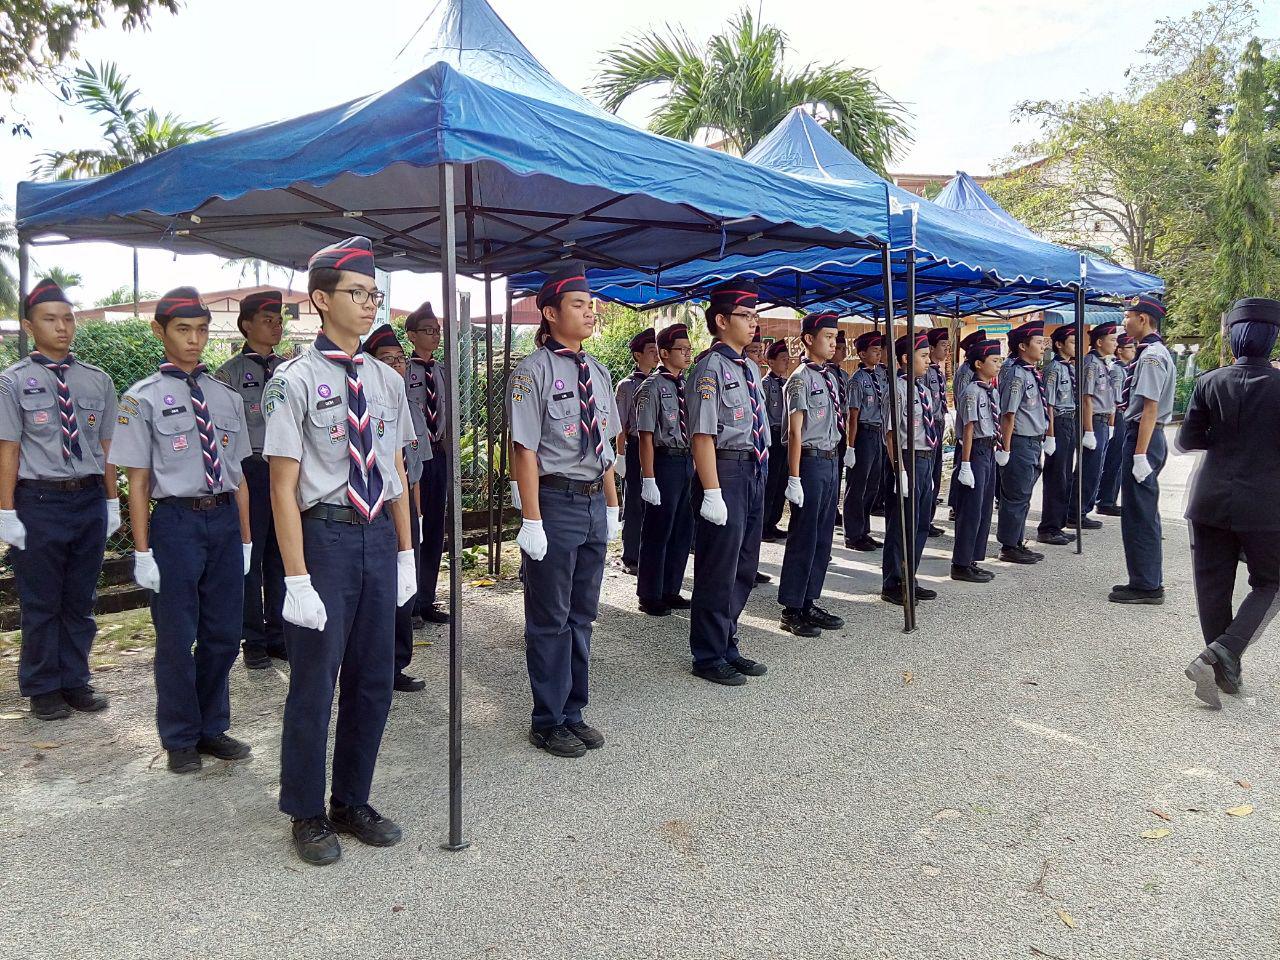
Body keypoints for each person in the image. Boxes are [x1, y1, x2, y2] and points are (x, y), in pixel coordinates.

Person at [264, 237, 417, 865]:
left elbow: (397, 468)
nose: (368, 304)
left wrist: (407, 551)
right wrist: (295, 578)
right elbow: (280, 484)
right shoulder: (291, 381)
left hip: (377, 534)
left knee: (373, 679)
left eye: (374, 294)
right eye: (357, 293)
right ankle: (305, 810)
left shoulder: (384, 378)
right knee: (314, 680)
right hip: (322, 538)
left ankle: (351, 799)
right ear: (320, 299)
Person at [110, 287, 253, 773]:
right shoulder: (142, 398)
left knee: (223, 632)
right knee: (175, 636)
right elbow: (139, 480)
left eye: (201, 330)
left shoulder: (225, 396)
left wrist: (248, 539)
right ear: (161, 331)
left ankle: (212, 726)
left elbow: (239, 477)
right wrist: (142, 550)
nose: (195, 340)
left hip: (224, 520)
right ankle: (179, 737)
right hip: (176, 522)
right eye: (183, 330)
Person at [508, 262, 621, 758]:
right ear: (550, 313)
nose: (589, 310)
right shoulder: (532, 372)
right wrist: (531, 518)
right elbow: (523, 450)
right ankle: (547, 717)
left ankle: (574, 709)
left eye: (590, 303)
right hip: (555, 502)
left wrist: (613, 506)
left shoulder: (597, 371)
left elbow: (609, 446)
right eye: (578, 303)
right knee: (550, 617)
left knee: (582, 614)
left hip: (594, 499)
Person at [0, 279, 119, 721]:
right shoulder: (11, 383)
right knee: (41, 599)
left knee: (79, 598)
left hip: (87, 498)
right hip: (39, 501)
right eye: (51, 319)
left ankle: (75, 679)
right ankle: (42, 686)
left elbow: (109, 446)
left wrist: (111, 501)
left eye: (68, 318)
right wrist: (6, 510)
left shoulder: (97, 380)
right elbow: (8, 448)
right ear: (30, 326)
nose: (63, 327)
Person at [1179, 298, 1280, 707]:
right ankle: (1222, 655)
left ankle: (1222, 664)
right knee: (1272, 582)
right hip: (1267, 502)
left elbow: (1187, 440)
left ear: (1233, 337)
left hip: (1210, 497)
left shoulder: (1208, 381)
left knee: (1212, 586)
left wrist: (1222, 440)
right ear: (1273, 339)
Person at [685, 282, 770, 685]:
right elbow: (702, 435)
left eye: (755, 316)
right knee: (718, 567)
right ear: (721, 321)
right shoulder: (709, 368)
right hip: (725, 470)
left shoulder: (749, 368)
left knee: (745, 565)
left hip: (753, 469)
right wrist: (713, 491)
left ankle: (727, 642)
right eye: (745, 316)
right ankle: (708, 653)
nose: (753, 323)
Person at [214, 289, 287, 670]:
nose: (276, 326)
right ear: (246, 326)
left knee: (282, 551)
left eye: (279, 320)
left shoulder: (290, 369)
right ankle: (253, 639)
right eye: (267, 320)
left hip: (286, 468)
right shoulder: (228, 374)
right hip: (251, 469)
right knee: (252, 555)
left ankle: (278, 633)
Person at [363, 323, 432, 693]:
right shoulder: (362, 399)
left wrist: (415, 516)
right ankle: (372, 667)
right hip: (371, 508)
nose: (396, 366)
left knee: (404, 589)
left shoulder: (407, 405)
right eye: (386, 359)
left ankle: (396, 663)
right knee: (376, 593)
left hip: (403, 510)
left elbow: (411, 470)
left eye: (400, 359)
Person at [777, 312, 846, 637]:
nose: (833, 343)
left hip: (831, 460)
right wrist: (793, 477)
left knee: (822, 536)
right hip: (810, 462)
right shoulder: (800, 379)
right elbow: (795, 431)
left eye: (835, 337)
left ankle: (809, 600)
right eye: (827, 337)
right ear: (808, 339)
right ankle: (792, 608)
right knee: (804, 536)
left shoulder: (829, 377)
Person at [1109, 294, 1176, 605]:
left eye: (1128, 316)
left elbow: (1149, 407)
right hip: (1146, 437)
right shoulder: (1152, 353)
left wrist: (1139, 453)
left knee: (1140, 512)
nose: (1125, 322)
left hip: (1143, 437)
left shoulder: (1150, 357)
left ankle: (1147, 585)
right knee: (1142, 509)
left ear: (1143, 319)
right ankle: (1146, 580)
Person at [634, 323, 694, 616]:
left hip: (686, 460)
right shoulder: (651, 387)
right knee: (659, 529)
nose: (687, 354)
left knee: (682, 528)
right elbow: (645, 435)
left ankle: (671, 588)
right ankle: (649, 593)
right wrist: (649, 478)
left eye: (689, 349)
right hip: (664, 461)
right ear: (664, 353)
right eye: (681, 349)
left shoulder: (686, 385)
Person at [881, 332, 937, 606]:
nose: (928, 361)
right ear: (906, 359)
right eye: (923, 356)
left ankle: (909, 576)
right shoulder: (897, 389)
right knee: (902, 525)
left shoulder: (922, 389)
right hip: (907, 459)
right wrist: (899, 470)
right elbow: (891, 434)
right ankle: (893, 582)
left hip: (925, 459)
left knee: (920, 523)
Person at [404, 303, 450, 625]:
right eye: (428, 330)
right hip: (412, 455)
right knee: (413, 528)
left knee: (435, 527)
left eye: (437, 330)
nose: (435, 335)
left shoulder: (443, 371)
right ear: (411, 335)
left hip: (439, 452)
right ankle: (407, 603)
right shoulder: (402, 372)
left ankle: (426, 599)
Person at [995, 319, 1048, 565]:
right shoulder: (1017, 374)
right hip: (1019, 441)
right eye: (1038, 342)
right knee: (1015, 495)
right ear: (1023, 347)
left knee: (1024, 495)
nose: (1043, 346)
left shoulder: (1031, 373)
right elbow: (1009, 413)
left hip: (1033, 441)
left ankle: (1017, 540)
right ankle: (1008, 545)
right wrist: (1005, 448)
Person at [950, 339, 1002, 583]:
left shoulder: (990, 390)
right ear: (979, 363)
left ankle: (972, 559)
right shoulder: (971, 391)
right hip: (975, 452)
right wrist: (966, 463)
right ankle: (960, 563)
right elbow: (969, 428)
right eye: (994, 360)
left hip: (988, 450)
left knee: (983, 509)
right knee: (971, 510)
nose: (999, 364)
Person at [614, 328, 657, 575]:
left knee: (653, 503)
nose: (655, 357)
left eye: (656, 351)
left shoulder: (661, 381)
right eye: (650, 352)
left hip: (657, 449)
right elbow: (621, 424)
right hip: (635, 448)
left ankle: (648, 553)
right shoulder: (627, 386)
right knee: (633, 504)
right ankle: (631, 556)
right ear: (637, 355)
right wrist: (620, 454)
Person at [1070, 321, 1118, 529]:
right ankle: (1076, 512)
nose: (1116, 344)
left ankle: (1084, 509)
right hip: (1093, 422)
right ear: (1099, 342)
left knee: (1097, 468)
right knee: (1089, 469)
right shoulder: (1091, 363)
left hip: (1102, 421)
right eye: (1113, 340)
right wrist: (1088, 430)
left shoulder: (1103, 363)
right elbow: (1086, 398)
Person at [1036, 324, 1078, 546]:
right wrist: (1050, 434)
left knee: (1065, 476)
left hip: (1069, 421)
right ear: (1059, 344)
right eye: (1071, 342)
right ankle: (1048, 527)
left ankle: (1058, 524)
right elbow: (1049, 404)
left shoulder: (1069, 367)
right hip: (1058, 423)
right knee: (1056, 476)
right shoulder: (1053, 369)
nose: (1076, 346)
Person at [843, 331, 885, 551]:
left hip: (878, 432)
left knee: (872, 485)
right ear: (862, 354)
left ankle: (864, 530)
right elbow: (853, 415)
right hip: (863, 434)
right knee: (857, 485)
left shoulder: (879, 376)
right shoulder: (857, 381)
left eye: (879, 351)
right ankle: (852, 533)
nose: (878, 355)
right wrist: (851, 446)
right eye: (874, 351)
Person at [947, 330, 987, 518]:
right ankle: (956, 505)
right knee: (961, 464)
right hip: (968, 429)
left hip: (978, 429)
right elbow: (964, 401)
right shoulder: (966, 373)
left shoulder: (975, 373)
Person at [1096, 334, 1136, 516]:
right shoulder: (1117, 370)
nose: (1133, 351)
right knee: (1114, 458)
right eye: (1130, 348)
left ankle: (1110, 498)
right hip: (1118, 415)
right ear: (1120, 351)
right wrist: (1113, 422)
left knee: (1119, 459)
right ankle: (1105, 500)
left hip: (1124, 415)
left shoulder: (1126, 369)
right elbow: (1115, 398)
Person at [760, 339, 790, 542]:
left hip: (785, 438)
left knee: (781, 484)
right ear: (770, 361)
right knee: (770, 485)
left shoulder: (788, 383)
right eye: (782, 359)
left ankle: (774, 521)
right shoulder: (765, 384)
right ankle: (763, 525)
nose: (786, 362)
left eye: (788, 359)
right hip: (772, 437)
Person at [924, 327, 949, 537]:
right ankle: (923, 519)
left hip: (938, 424)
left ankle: (928, 518)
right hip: (927, 426)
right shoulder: (924, 372)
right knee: (928, 474)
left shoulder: (937, 371)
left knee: (936, 473)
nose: (946, 351)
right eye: (943, 346)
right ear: (931, 348)